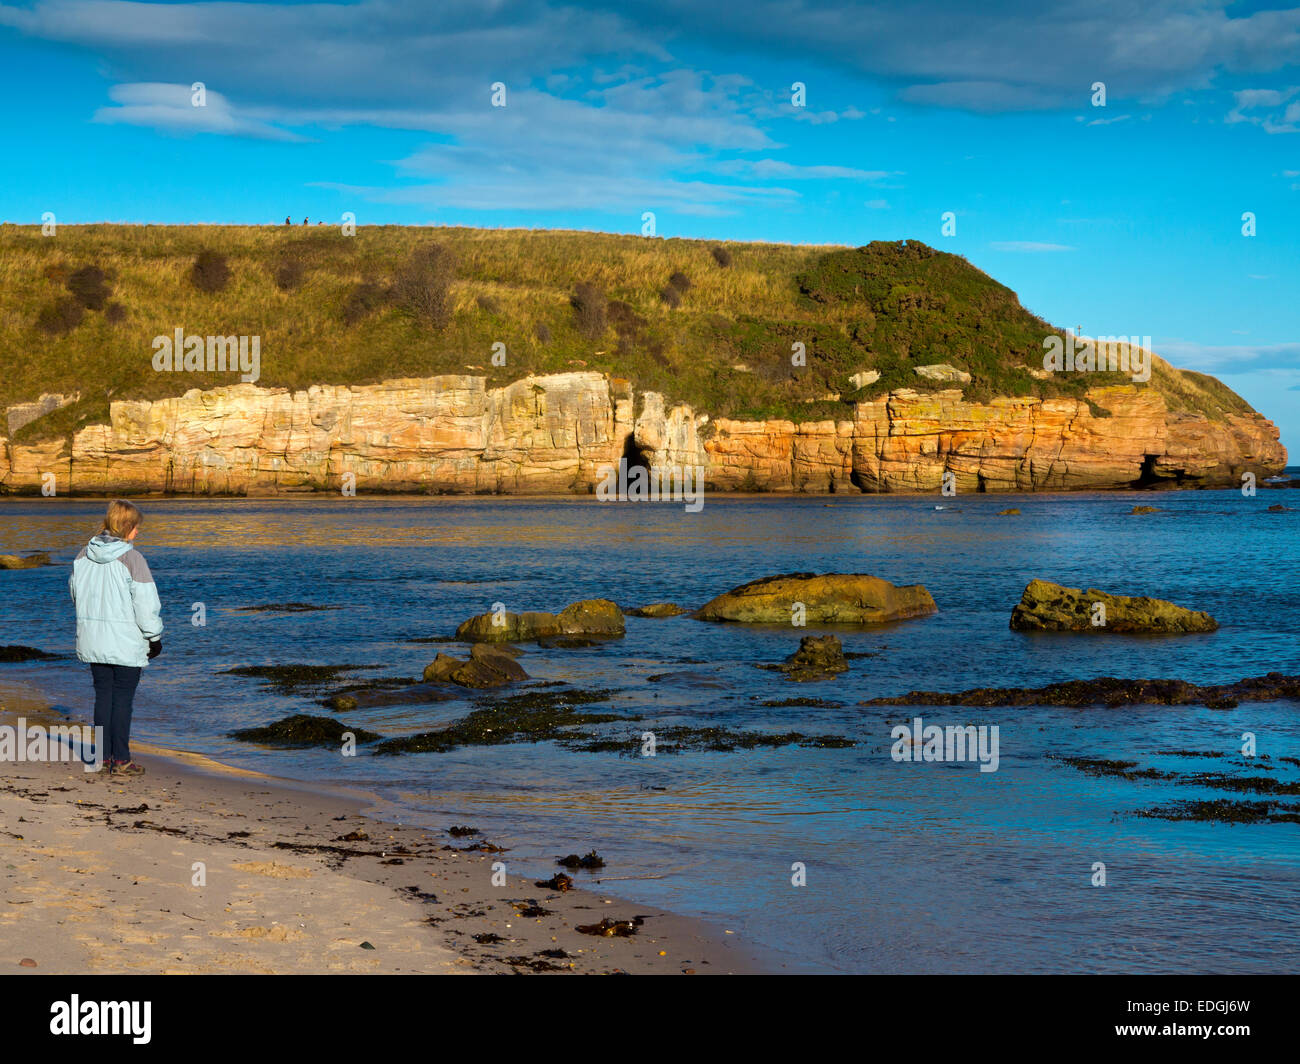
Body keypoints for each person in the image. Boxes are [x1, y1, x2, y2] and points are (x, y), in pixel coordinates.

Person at [69, 500, 163, 776]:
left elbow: (75, 595)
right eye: (136, 528)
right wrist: (154, 637)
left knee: (103, 698)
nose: (138, 533)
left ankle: (102, 758)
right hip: (125, 643)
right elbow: (146, 604)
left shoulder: (82, 555)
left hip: (93, 640)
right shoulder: (133, 559)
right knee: (122, 700)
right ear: (127, 527)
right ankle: (120, 760)